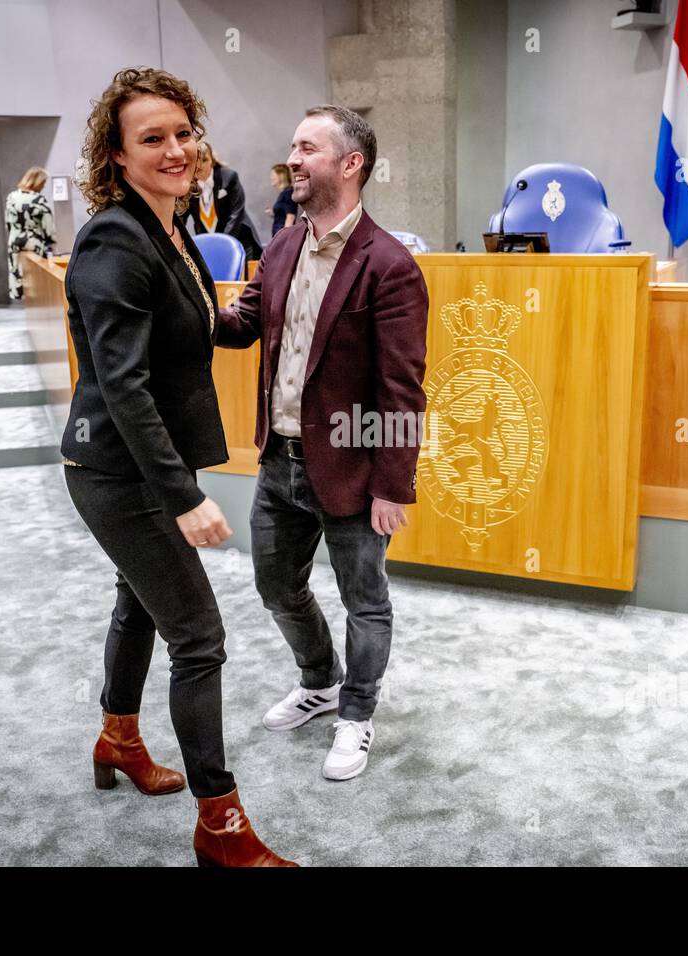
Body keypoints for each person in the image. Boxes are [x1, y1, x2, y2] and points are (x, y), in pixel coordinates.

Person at [60, 66, 295, 867]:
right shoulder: (113, 240)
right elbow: (123, 386)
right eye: (151, 138)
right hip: (117, 472)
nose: (173, 149)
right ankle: (220, 826)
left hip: (141, 467)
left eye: (182, 133)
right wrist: (185, 496)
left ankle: (118, 740)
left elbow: (203, 327)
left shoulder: (172, 226)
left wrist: (276, 292)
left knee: (138, 604)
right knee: (198, 638)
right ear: (117, 157)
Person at [215, 105, 429, 781]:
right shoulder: (281, 244)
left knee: (363, 600)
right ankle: (321, 679)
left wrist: (394, 486)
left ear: (350, 163)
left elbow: (402, 388)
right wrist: (181, 311)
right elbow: (244, 321)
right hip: (277, 462)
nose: (293, 159)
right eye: (292, 147)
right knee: (277, 585)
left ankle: (357, 715)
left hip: (353, 469)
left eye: (308, 147)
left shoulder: (390, 266)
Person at [185, 141, 263, 261]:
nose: (195, 172)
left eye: (199, 168)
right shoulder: (189, 186)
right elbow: (181, 216)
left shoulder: (229, 177)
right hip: (209, 244)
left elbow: (236, 214)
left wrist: (223, 245)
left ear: (209, 161)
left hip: (238, 240)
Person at [4, 166, 57, 300]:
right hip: (34, 243)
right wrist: (52, 243)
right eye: (43, 183)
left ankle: (19, 294)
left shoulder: (12, 197)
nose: (43, 187)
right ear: (36, 182)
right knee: (36, 281)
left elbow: (8, 223)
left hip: (14, 241)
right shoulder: (39, 200)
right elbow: (49, 229)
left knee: (17, 272)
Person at [267, 163, 297, 237]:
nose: (271, 178)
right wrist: (273, 213)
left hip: (282, 236)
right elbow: (283, 216)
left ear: (281, 176)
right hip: (278, 234)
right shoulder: (284, 193)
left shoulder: (288, 193)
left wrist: (284, 238)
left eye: (273, 175)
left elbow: (290, 217)